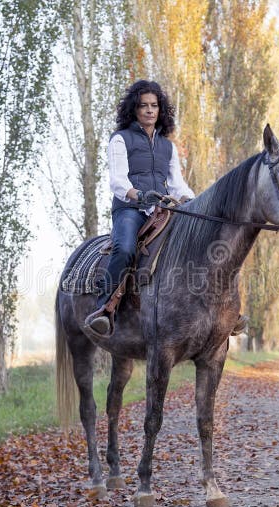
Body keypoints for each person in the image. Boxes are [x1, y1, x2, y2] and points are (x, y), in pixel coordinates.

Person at [85, 80, 195, 335]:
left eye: (154, 106)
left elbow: (177, 184)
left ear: (160, 110)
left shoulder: (168, 146)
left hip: (163, 210)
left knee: (198, 242)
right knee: (124, 249)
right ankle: (105, 308)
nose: (149, 110)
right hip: (129, 209)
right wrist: (138, 195)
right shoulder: (120, 140)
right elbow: (117, 181)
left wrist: (191, 201)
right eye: (143, 105)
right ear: (134, 109)